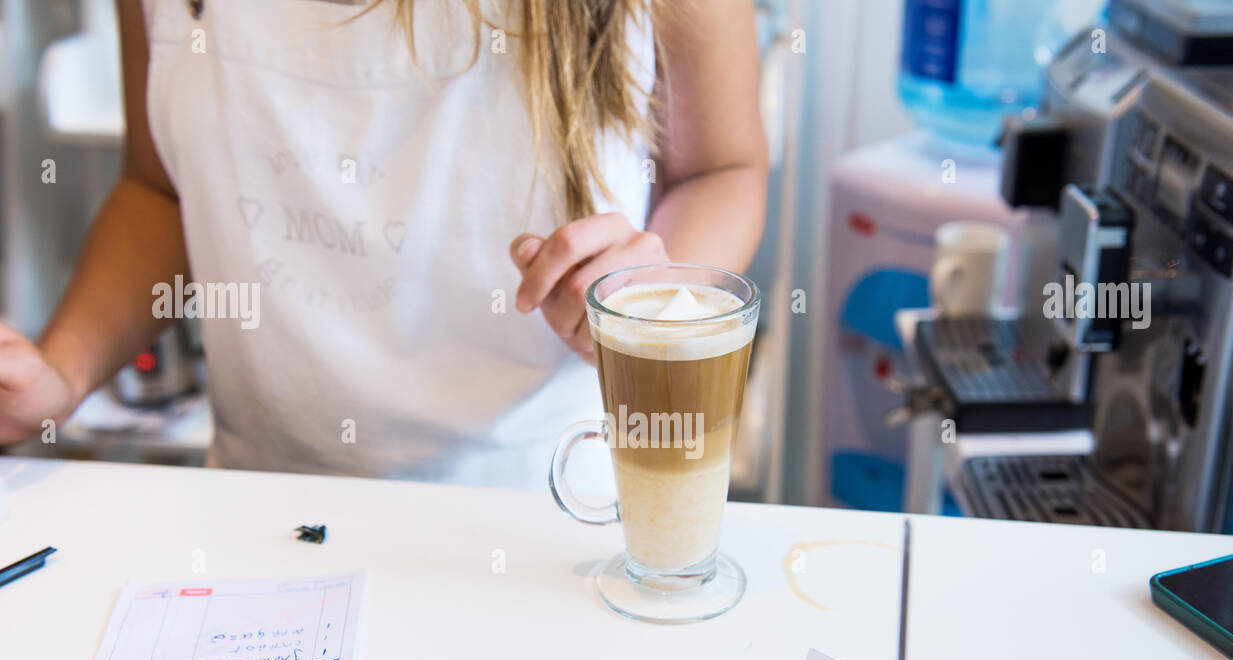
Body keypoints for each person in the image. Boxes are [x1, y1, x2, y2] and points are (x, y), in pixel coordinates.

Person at [0, 0, 766, 488]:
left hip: (550, 502)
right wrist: (61, 371)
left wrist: (650, 294)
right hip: (262, 500)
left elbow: (721, 169)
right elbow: (160, 186)